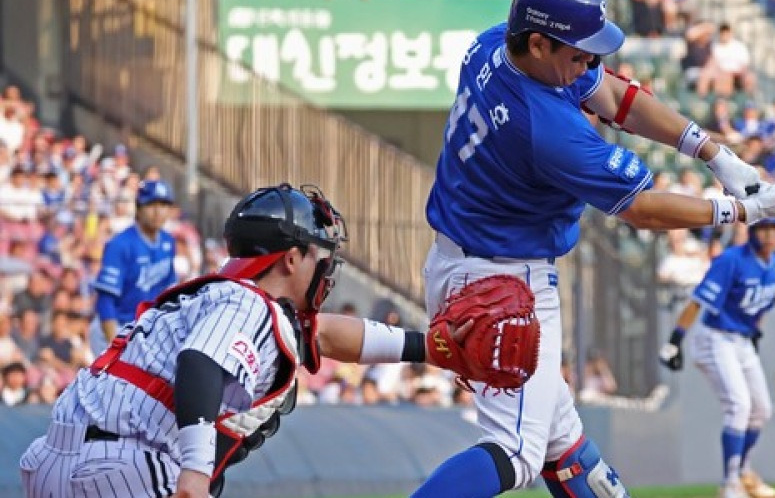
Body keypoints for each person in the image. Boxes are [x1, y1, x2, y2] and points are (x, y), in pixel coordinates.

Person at [416, 0, 775, 498]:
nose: (592, 63)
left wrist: (712, 151)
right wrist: (738, 212)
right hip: (501, 282)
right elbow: (642, 210)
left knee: (562, 444)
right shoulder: (549, 129)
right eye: (581, 53)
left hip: (467, 262)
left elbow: (616, 98)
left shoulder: (493, 44)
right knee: (517, 450)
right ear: (539, 43)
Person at [20, 183, 471, 498]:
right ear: (291, 259)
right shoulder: (249, 306)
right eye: (319, 255)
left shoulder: (215, 294)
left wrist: (431, 349)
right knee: (273, 392)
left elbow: (328, 335)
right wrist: (196, 472)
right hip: (121, 469)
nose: (326, 269)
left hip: (53, 460)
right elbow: (198, 362)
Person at [659, 218, 775, 498]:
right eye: (763, 228)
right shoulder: (731, 260)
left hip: (741, 340)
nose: (769, 235)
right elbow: (697, 301)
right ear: (752, 231)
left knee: (761, 410)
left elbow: (761, 308)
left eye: (774, 228)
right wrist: (674, 341)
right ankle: (730, 484)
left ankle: (744, 472)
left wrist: (754, 332)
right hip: (714, 337)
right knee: (739, 406)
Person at [91, 179, 178, 354]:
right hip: (115, 326)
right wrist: (115, 345)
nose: (158, 211)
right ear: (139, 208)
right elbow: (105, 301)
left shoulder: (168, 241)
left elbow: (169, 289)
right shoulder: (120, 244)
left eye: (164, 205)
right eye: (151, 204)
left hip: (145, 328)